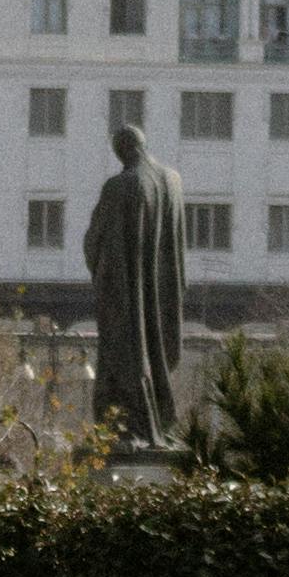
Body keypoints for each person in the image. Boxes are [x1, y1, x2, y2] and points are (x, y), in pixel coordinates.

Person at [84, 115, 184, 452]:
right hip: (164, 297)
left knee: (126, 357)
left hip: (129, 296)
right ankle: (161, 424)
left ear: (123, 151)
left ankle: (130, 429)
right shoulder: (173, 181)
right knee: (155, 356)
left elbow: (97, 242)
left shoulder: (120, 186)